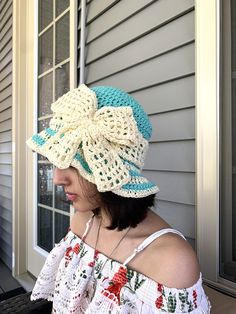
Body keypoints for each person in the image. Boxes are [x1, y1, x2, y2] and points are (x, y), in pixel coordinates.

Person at [27, 84, 211, 313]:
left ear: (111, 167)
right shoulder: (82, 222)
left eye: (73, 165)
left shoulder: (172, 263)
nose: (57, 178)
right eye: (57, 160)